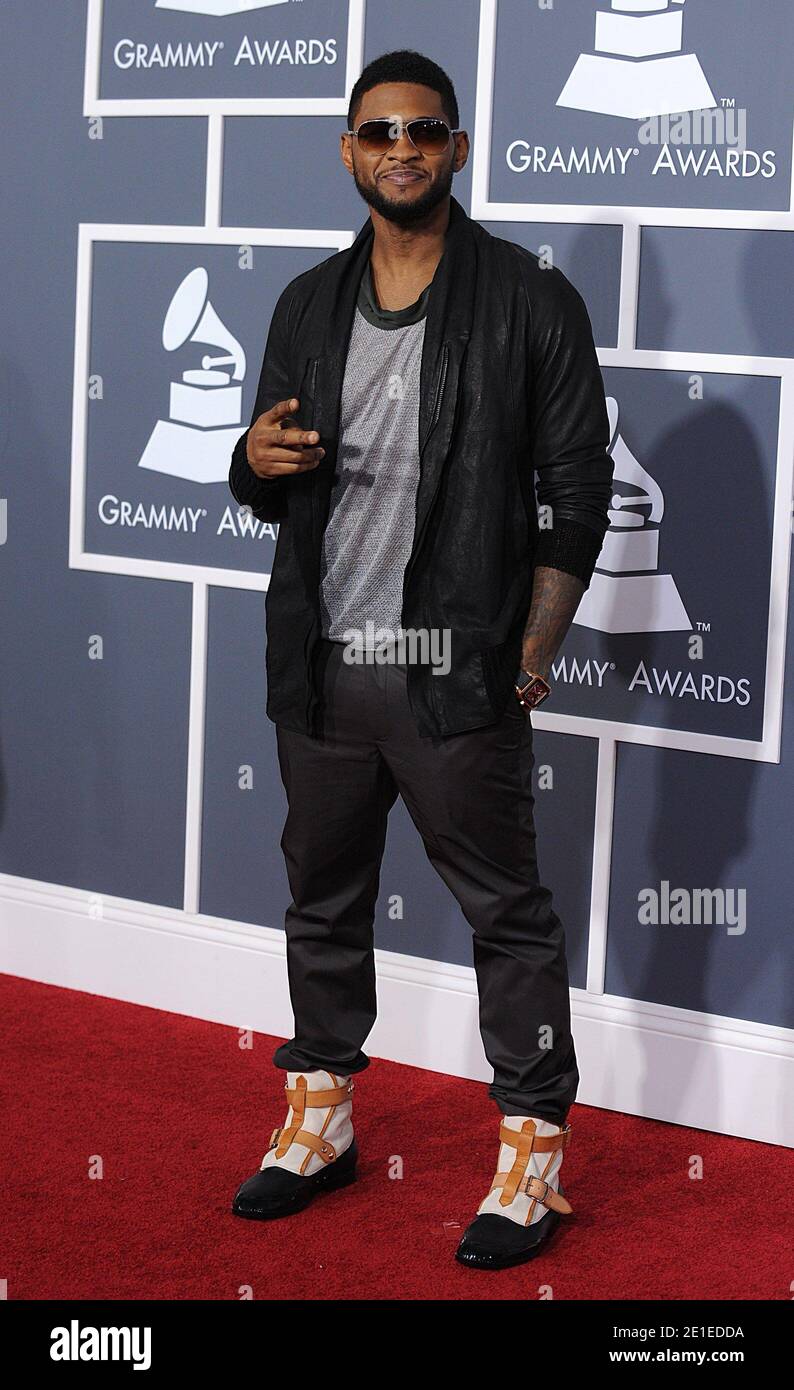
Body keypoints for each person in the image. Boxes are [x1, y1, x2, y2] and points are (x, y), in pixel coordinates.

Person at [227, 49, 613, 1270]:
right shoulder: (302, 303)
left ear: (456, 149)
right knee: (320, 900)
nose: (401, 146)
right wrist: (247, 460)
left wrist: (532, 647)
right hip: (321, 664)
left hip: (454, 665)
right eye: (378, 129)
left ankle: (532, 1151)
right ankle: (322, 1116)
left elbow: (574, 494)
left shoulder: (527, 300)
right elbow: (261, 479)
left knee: (505, 913)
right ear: (348, 152)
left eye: (424, 129)